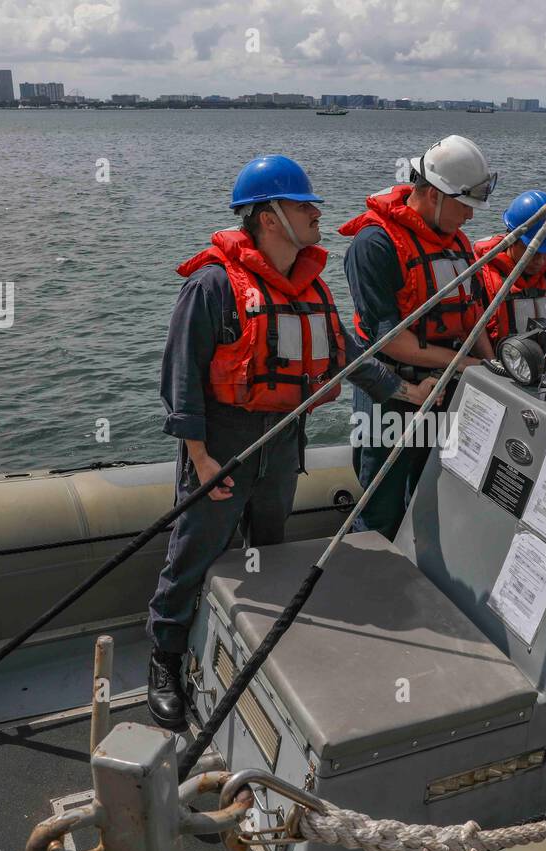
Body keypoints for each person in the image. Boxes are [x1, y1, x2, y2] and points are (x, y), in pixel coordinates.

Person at [144, 155, 436, 727]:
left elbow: (347, 352)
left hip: (283, 439)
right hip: (224, 441)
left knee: (270, 544)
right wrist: (199, 456)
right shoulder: (212, 287)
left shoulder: (310, 288)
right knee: (194, 550)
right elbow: (180, 374)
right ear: (271, 217)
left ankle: (254, 642)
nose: (316, 215)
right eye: (305, 206)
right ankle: (165, 656)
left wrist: (404, 389)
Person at [340, 134, 497, 538]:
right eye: (464, 206)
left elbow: (474, 311)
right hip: (392, 392)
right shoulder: (374, 245)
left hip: (448, 388)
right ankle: (376, 591)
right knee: (381, 506)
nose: (470, 218)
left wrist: (492, 366)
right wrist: (468, 364)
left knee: (433, 499)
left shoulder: (457, 243)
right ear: (432, 195)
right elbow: (388, 341)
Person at [474, 189, 546, 346]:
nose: (541, 260)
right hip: (496, 365)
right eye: (534, 251)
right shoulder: (481, 274)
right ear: (511, 238)